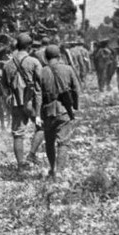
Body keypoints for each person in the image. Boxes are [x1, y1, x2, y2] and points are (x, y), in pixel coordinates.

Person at [0, 33, 42, 168]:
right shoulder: (34, 62)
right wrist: (39, 112)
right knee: (42, 126)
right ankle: (32, 154)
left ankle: (20, 164)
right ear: (29, 47)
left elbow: (3, 86)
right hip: (31, 102)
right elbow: (41, 85)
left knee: (18, 134)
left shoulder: (7, 64)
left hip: (15, 102)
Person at [38, 44, 81, 177]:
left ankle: (52, 168)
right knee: (63, 142)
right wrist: (75, 107)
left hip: (47, 111)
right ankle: (60, 172)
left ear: (45, 57)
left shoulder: (41, 72)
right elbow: (76, 90)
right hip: (64, 110)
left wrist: (38, 114)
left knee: (49, 143)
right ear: (59, 56)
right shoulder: (68, 69)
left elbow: (37, 94)